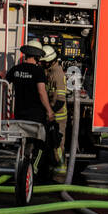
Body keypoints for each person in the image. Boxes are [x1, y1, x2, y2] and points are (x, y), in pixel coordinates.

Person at [41, 44, 68, 177]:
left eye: (44, 62)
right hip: (52, 114)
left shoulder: (57, 74)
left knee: (57, 143)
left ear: (51, 61)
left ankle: (61, 169)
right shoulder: (49, 71)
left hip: (58, 116)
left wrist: (50, 113)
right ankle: (52, 166)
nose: (42, 64)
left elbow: (60, 100)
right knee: (50, 143)